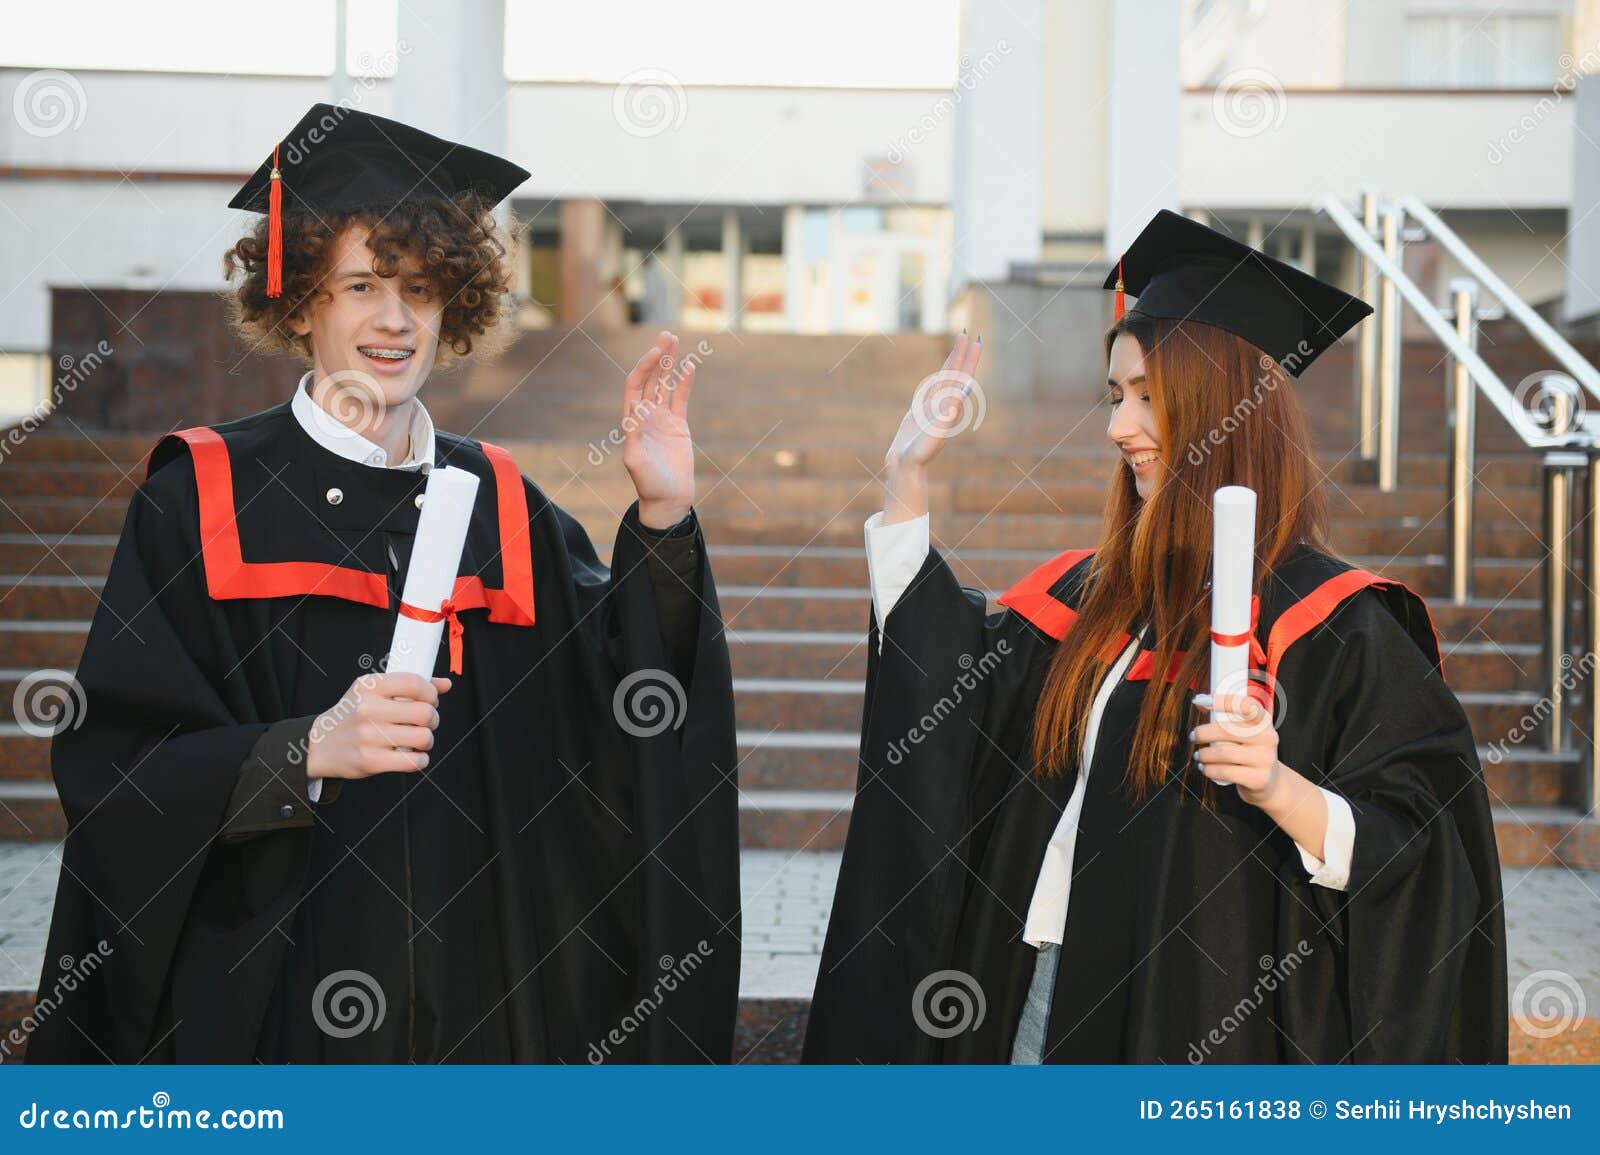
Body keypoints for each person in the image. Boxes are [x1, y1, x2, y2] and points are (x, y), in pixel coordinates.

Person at [28, 105, 740, 1064]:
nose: (394, 319)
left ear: (456, 308)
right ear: (301, 302)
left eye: (419, 288)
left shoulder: (499, 501)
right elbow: (115, 769)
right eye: (360, 284)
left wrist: (660, 521)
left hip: (479, 998)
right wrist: (305, 749)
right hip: (277, 1005)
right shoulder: (201, 494)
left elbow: (626, 709)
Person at [804, 210, 1507, 1064]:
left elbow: (1427, 853)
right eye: (1114, 396)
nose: (1117, 426)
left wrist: (1280, 787)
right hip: (1033, 997)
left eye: (1148, 397)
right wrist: (905, 481)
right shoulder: (1087, 596)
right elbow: (948, 720)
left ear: (1225, 410)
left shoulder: (1338, 625)